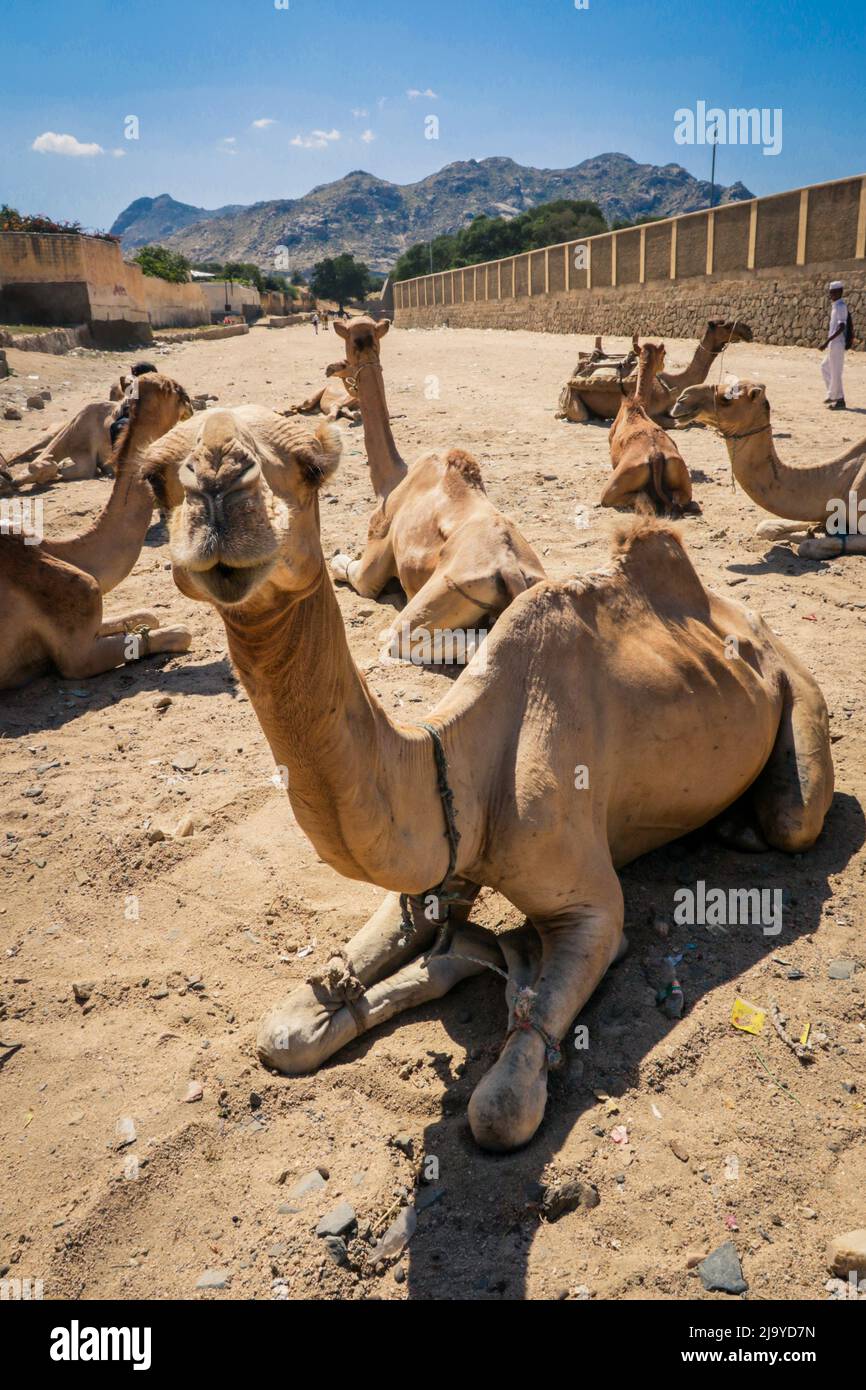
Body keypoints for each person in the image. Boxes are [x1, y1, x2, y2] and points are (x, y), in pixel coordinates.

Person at [820, 280, 848, 410]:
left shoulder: (841, 306)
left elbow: (842, 326)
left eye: (833, 292)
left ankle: (838, 399)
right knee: (825, 367)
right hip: (833, 344)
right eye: (830, 292)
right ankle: (836, 395)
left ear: (839, 292)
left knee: (835, 371)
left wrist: (827, 341)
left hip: (837, 344)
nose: (830, 295)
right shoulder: (835, 306)